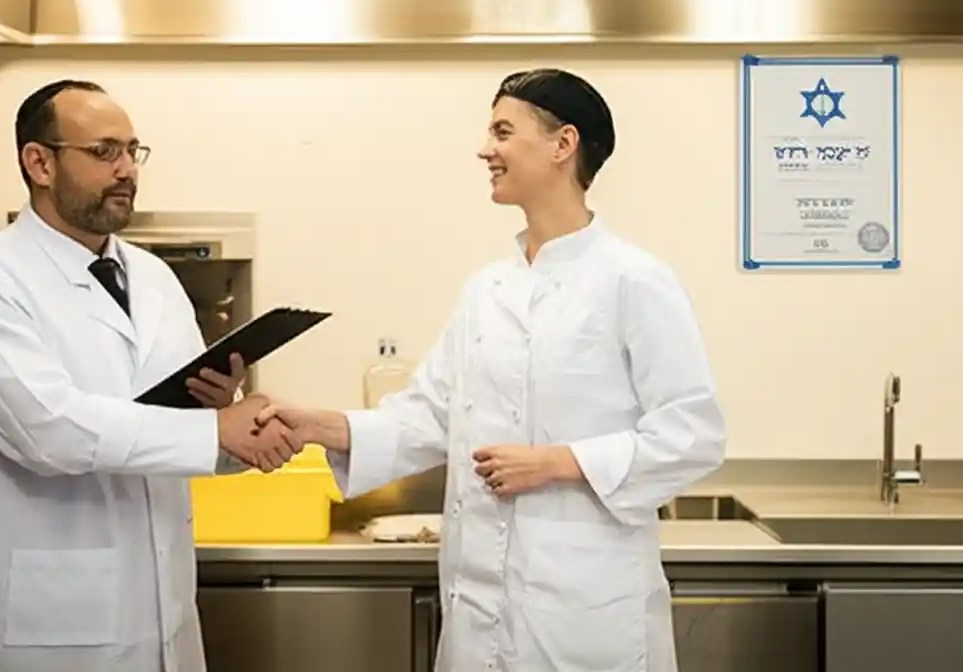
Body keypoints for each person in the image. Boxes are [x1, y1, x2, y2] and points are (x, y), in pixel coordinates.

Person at [261, 68, 726, 672]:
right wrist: (316, 425)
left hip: (584, 615)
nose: (485, 150)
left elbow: (693, 434)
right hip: (478, 611)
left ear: (563, 144)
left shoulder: (634, 280)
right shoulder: (487, 290)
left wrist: (557, 462)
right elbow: (429, 417)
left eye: (503, 132)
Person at [0, 79, 301, 672]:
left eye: (133, 151)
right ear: (40, 163)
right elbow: (48, 431)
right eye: (104, 152)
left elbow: (173, 432)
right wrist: (213, 431)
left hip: (162, 610)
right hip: (47, 620)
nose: (127, 169)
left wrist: (231, 423)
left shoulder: (153, 277)